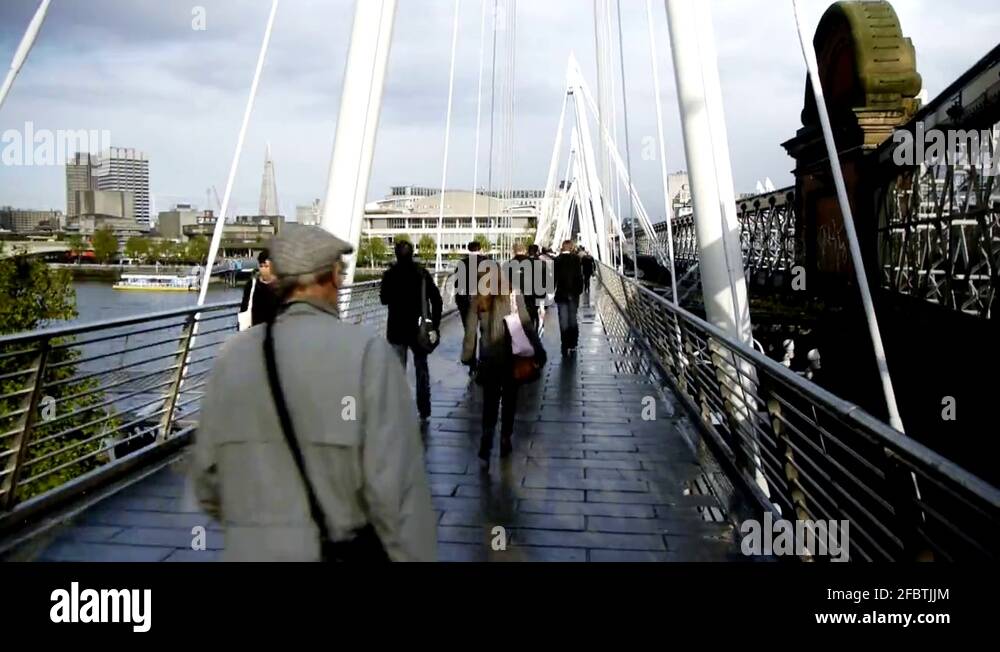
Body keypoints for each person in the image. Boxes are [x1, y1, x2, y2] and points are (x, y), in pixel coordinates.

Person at [193, 225, 436, 561]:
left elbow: (207, 482)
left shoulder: (232, 356)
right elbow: (399, 491)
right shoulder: (366, 354)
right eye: (341, 272)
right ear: (331, 276)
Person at [462, 262, 546, 471]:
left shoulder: (477, 298)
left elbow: (470, 331)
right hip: (512, 358)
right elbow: (526, 325)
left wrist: (468, 356)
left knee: (489, 403)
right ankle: (506, 437)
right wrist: (538, 350)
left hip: (488, 359)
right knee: (510, 400)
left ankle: (486, 441)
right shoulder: (514, 294)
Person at [380, 240, 443, 422]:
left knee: (397, 371)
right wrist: (435, 324)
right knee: (421, 368)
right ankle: (424, 409)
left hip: (396, 329)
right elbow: (437, 300)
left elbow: (384, 299)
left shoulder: (390, 275)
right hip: (419, 329)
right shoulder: (422, 274)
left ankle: (398, 409)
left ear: (395, 254)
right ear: (412, 253)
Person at [454, 240, 482, 376]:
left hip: (466, 301)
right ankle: (485, 359)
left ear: (468, 249)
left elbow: (457, 285)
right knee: (486, 330)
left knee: (470, 332)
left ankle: (472, 363)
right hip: (484, 302)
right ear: (480, 249)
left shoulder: (462, 264)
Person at [553, 239, 584, 356]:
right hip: (573, 295)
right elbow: (579, 277)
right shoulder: (576, 259)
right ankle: (573, 344)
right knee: (572, 319)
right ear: (571, 248)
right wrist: (578, 291)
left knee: (563, 321)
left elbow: (553, 279)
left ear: (562, 247)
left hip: (561, 295)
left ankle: (564, 345)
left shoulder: (556, 260)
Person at [238, 248, 279, 330]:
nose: (263, 270)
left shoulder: (281, 286)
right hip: (255, 330)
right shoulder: (252, 284)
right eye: (261, 266)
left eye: (266, 266)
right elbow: (244, 308)